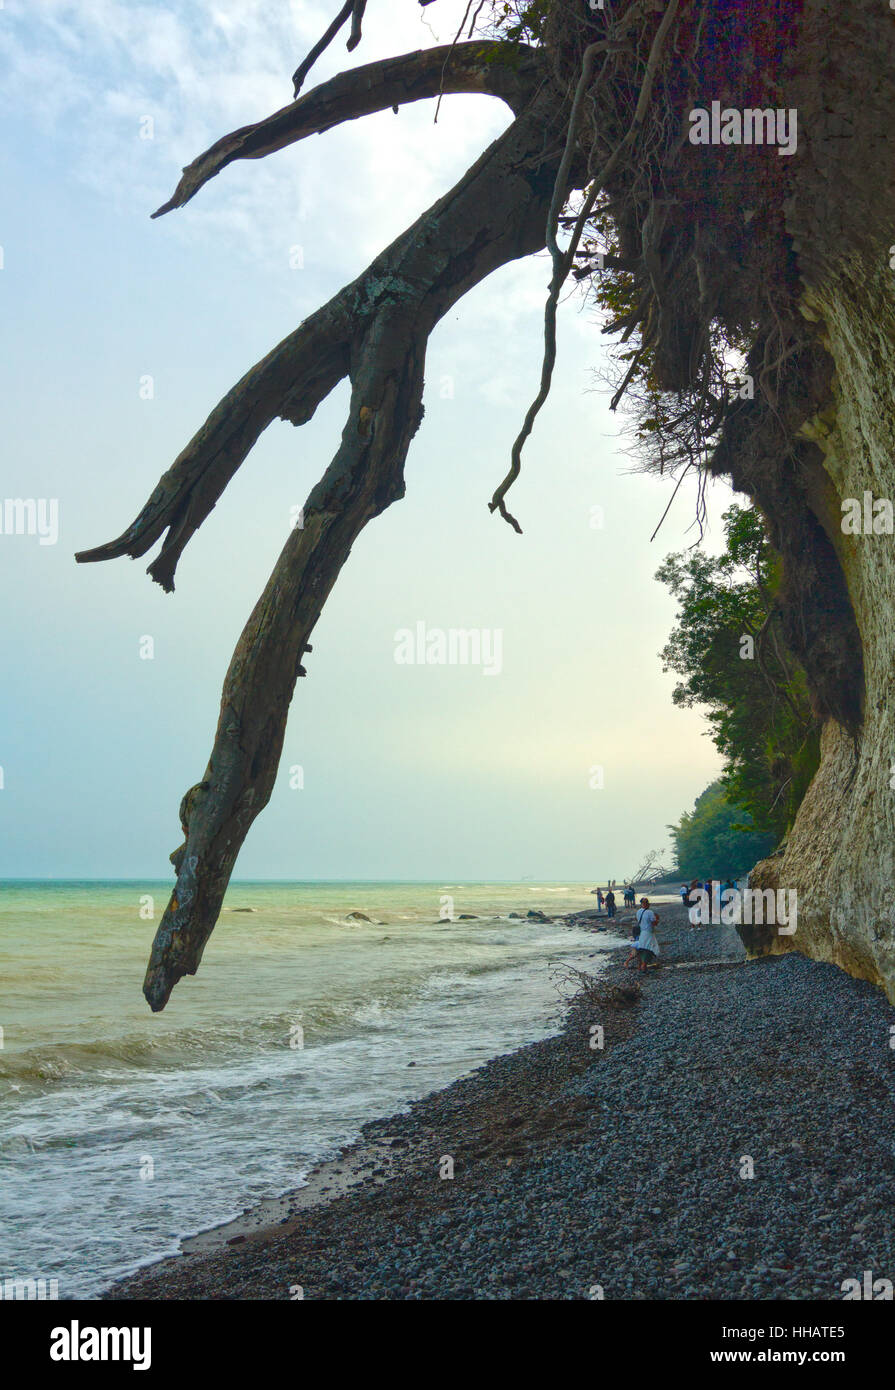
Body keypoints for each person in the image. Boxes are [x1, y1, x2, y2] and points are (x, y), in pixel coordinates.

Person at [630, 897, 660, 972]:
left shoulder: (638, 911)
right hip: (649, 932)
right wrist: (657, 920)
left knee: (642, 948)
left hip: (642, 932)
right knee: (649, 948)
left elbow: (637, 920)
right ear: (647, 904)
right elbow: (654, 923)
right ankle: (644, 965)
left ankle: (641, 965)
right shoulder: (650, 912)